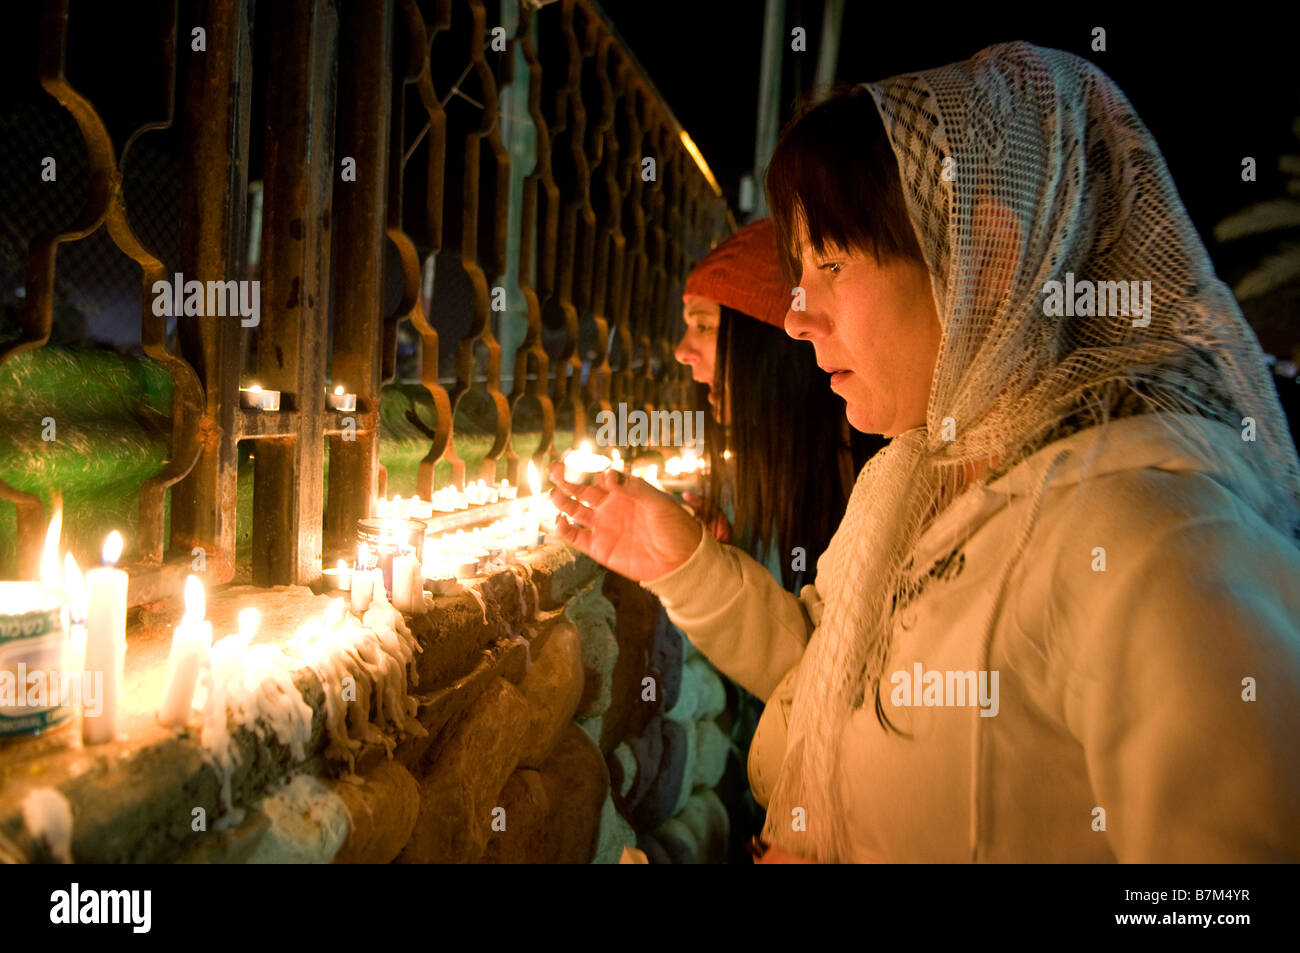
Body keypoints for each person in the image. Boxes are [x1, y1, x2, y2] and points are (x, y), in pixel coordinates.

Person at [552, 42, 1300, 863]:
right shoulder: (907, 481)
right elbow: (832, 677)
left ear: (988, 253)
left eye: (832, 262)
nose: (797, 319)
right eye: (799, 271)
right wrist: (684, 561)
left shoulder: (1152, 546)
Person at [673, 218, 880, 590]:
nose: (681, 352)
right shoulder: (782, 482)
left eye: (704, 326)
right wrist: (725, 560)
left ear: (774, 346)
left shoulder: (878, 484)